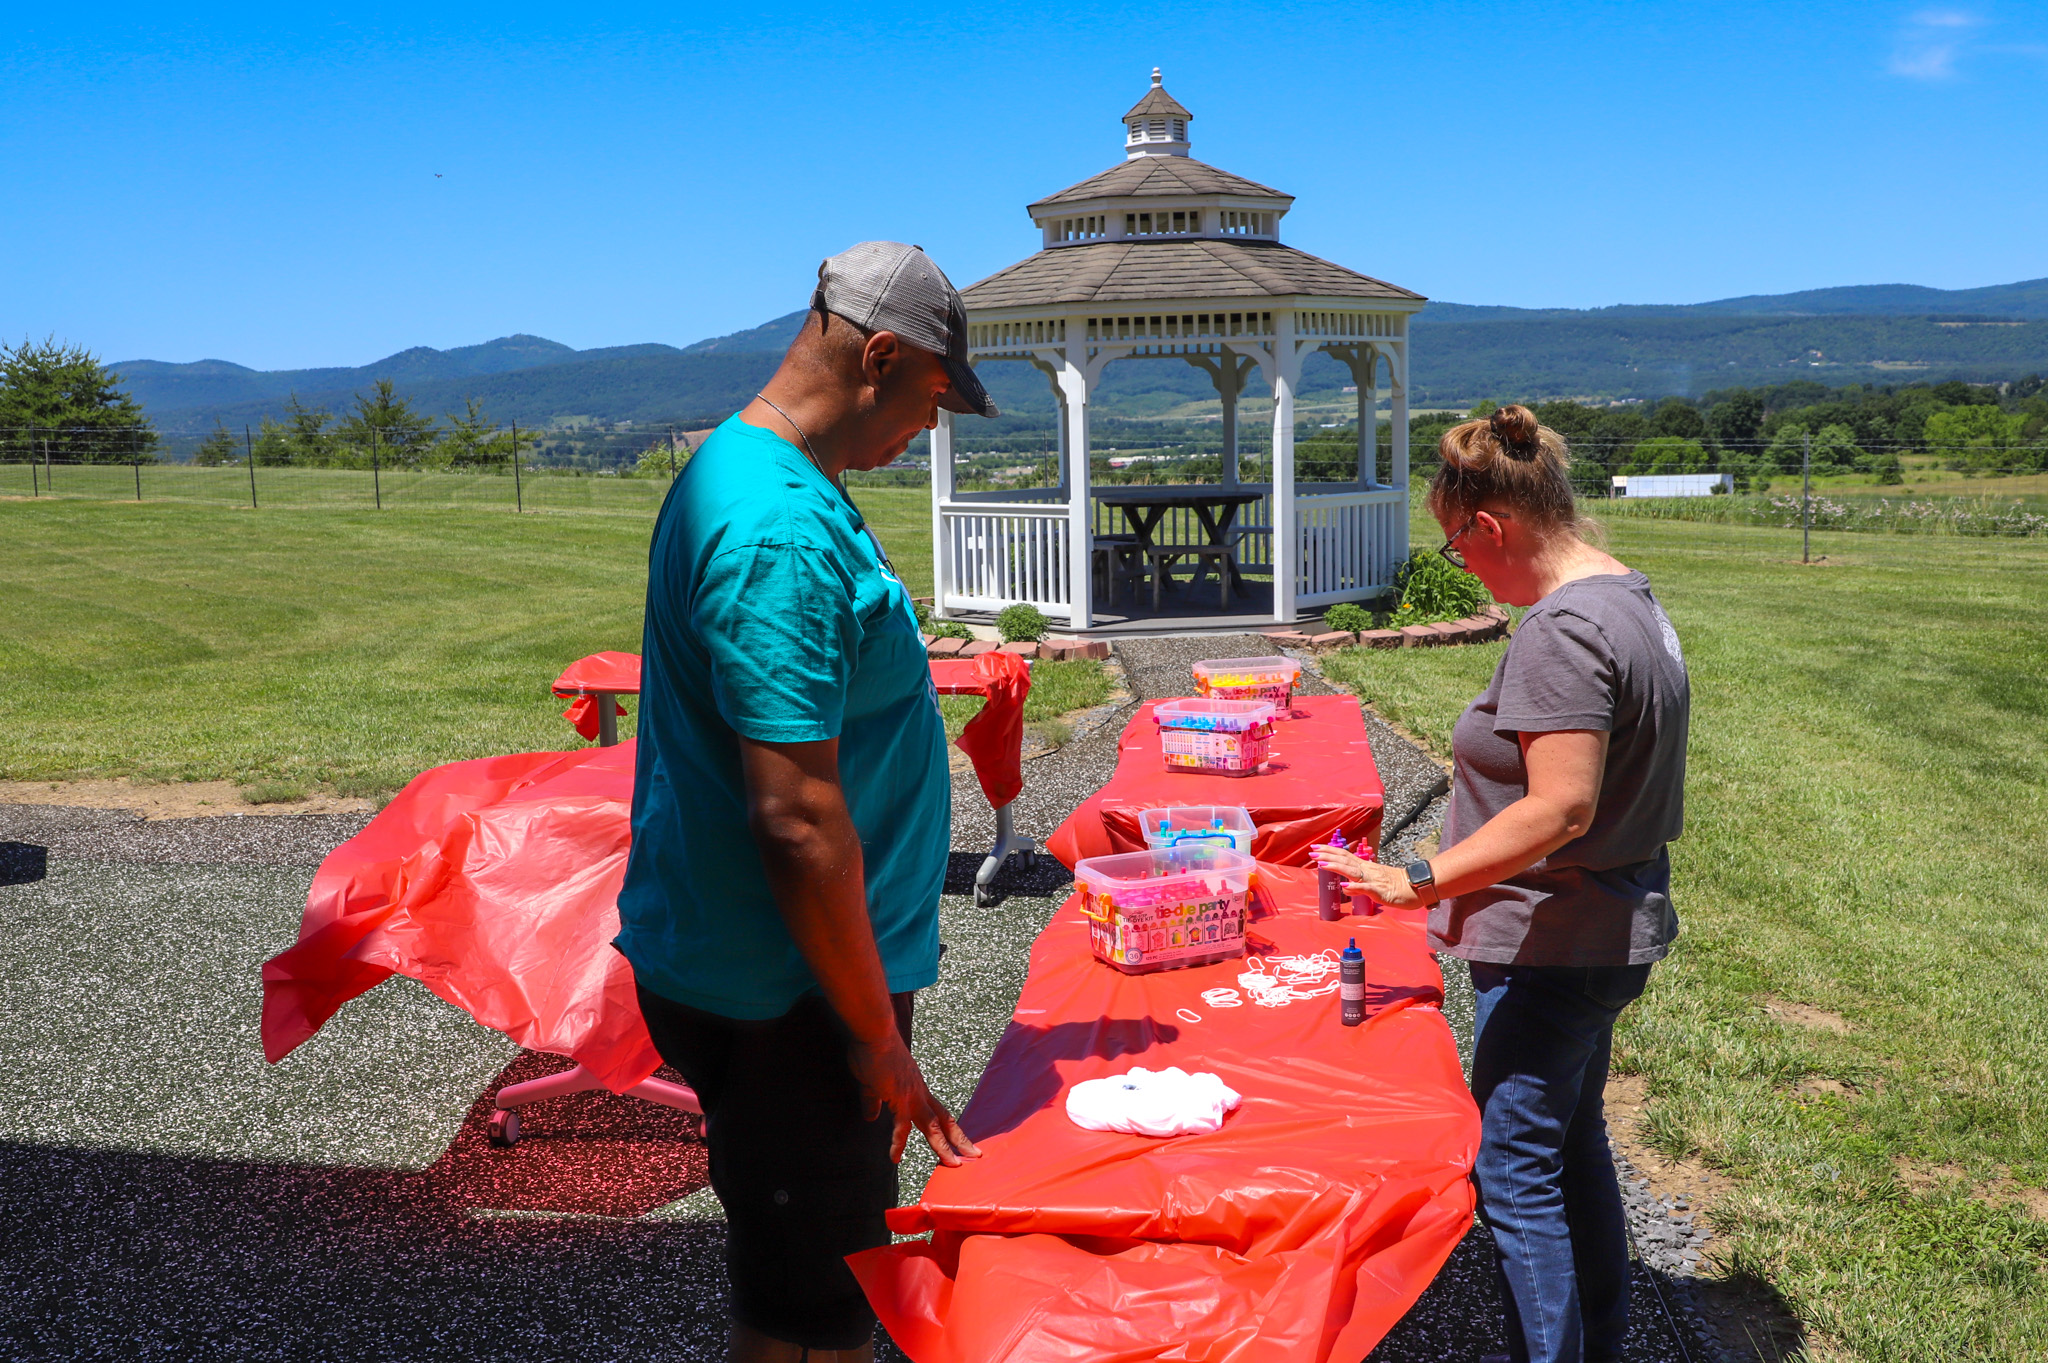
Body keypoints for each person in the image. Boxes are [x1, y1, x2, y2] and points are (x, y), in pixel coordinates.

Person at [615, 241, 998, 1363]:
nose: (931, 429)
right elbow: (794, 815)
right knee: (809, 1324)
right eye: (933, 397)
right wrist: (876, 1038)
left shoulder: (762, 474)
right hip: (792, 994)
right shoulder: (776, 524)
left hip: (782, 975)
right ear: (877, 354)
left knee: (812, 1293)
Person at [1312, 404, 1690, 1363]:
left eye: (1458, 546)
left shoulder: (1563, 629)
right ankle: (1599, 1339)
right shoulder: (1628, 595)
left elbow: (1560, 808)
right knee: (1569, 1142)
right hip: (1612, 924)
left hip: (1557, 938)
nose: (1463, 567)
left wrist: (1417, 879)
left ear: (1494, 525)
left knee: (1511, 1170)